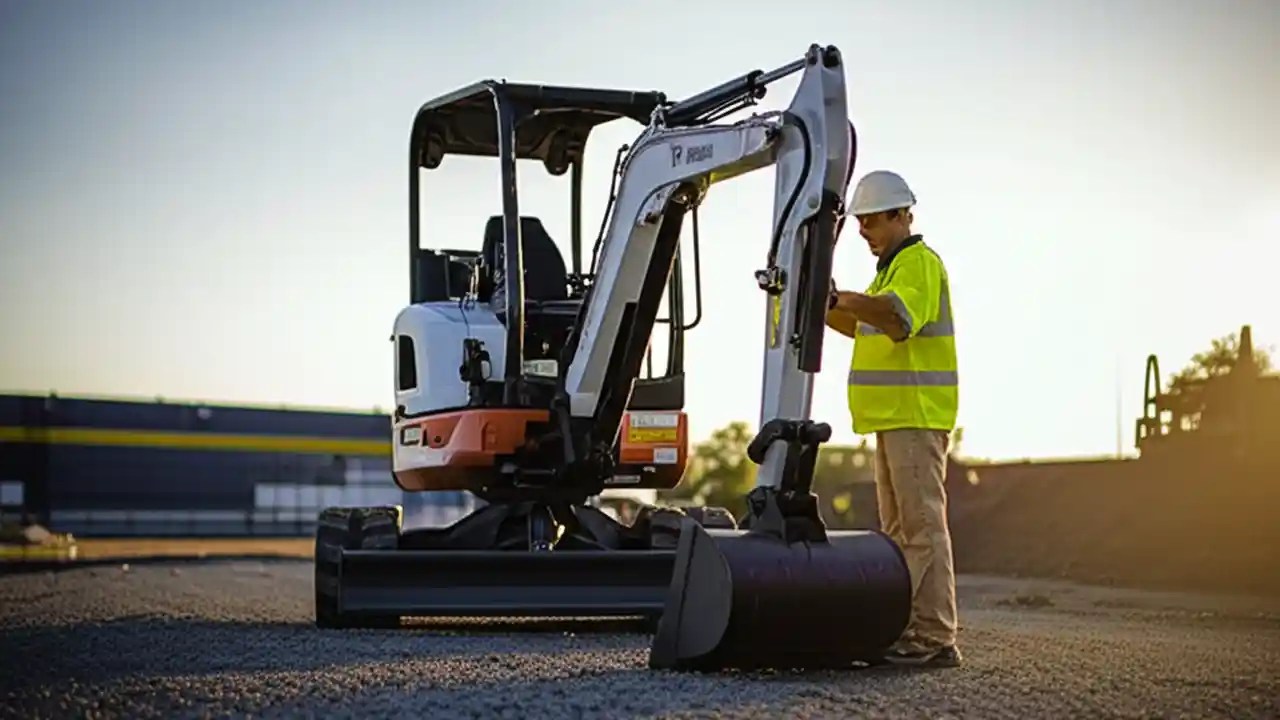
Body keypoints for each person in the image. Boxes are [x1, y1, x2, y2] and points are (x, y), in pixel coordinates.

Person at [826, 170, 962, 667]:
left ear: (904, 215)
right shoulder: (888, 273)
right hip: (895, 418)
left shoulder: (917, 265)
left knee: (922, 526)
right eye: (860, 222)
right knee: (902, 531)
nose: (864, 230)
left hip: (915, 414)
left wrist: (840, 299)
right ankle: (911, 631)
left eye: (873, 220)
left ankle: (934, 637)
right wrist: (822, 303)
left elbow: (896, 319)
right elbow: (863, 320)